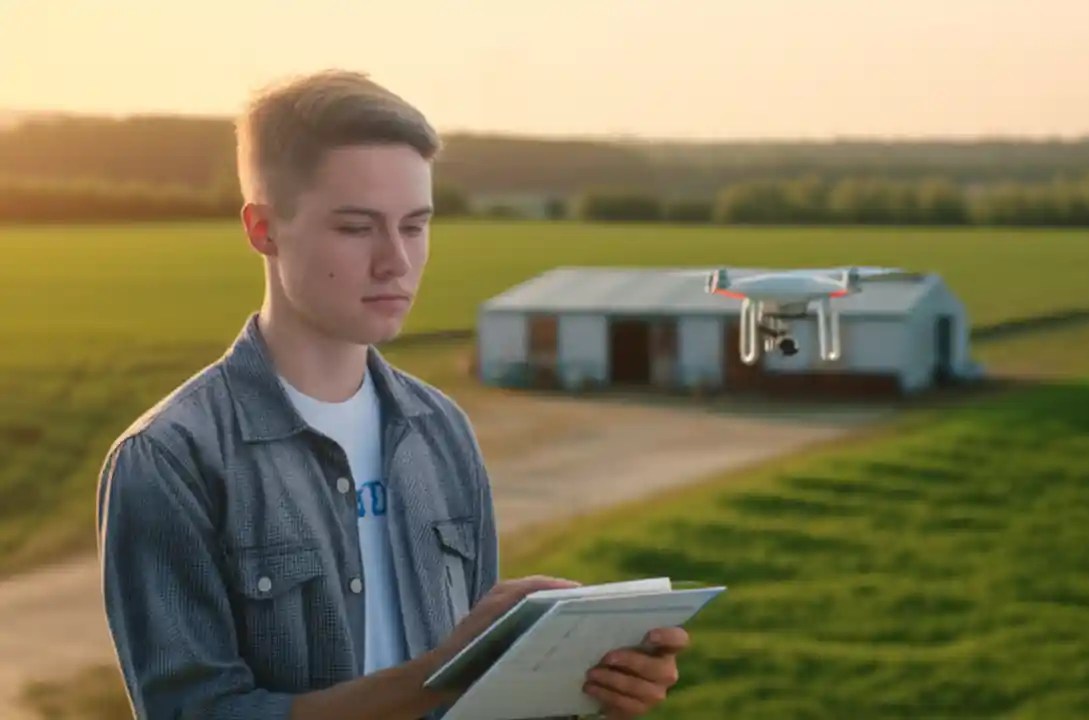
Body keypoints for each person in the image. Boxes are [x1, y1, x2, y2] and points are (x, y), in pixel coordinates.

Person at [95, 69, 688, 720]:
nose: (396, 262)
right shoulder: (170, 461)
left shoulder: (441, 429)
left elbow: (476, 699)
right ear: (263, 229)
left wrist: (589, 689)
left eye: (414, 226)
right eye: (357, 228)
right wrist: (438, 676)